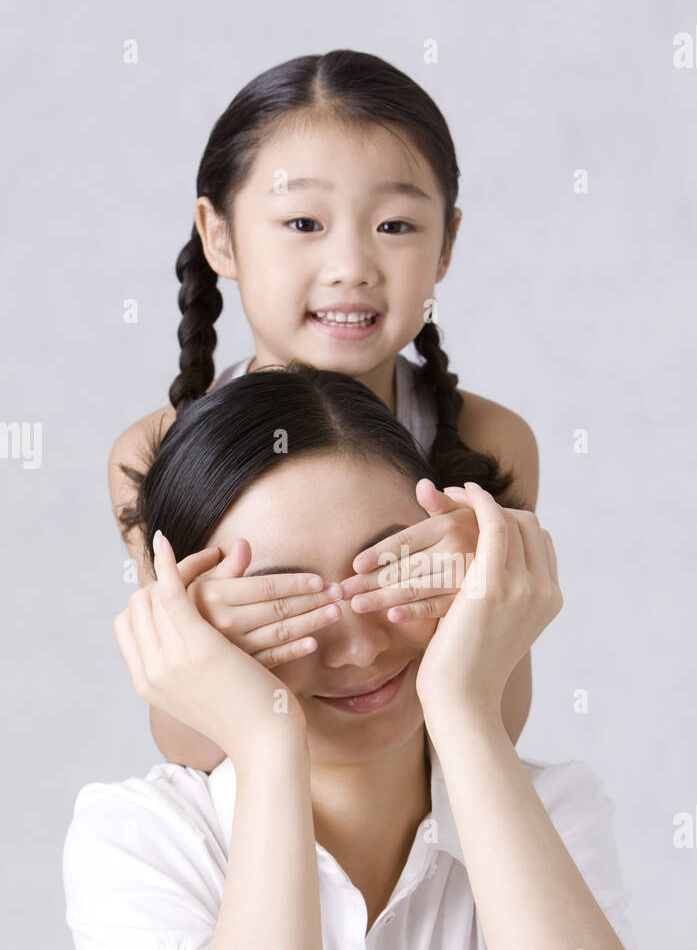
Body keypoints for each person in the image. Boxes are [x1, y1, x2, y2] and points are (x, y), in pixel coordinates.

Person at [64, 366, 661, 950]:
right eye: (285, 602)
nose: (357, 645)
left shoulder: (548, 812)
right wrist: (267, 742)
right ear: (194, 627)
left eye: (390, 573)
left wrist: (464, 703)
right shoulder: (142, 839)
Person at [108, 50, 540, 769]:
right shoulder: (152, 450)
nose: (351, 268)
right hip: (254, 814)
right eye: (303, 221)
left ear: (447, 244)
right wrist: (201, 649)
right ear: (220, 236)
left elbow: (501, 726)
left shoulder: (490, 438)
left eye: (395, 226)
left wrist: (492, 582)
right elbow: (187, 749)